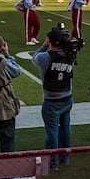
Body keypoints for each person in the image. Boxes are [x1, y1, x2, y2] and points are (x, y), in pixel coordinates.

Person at [32, 25, 77, 170]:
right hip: (67, 97)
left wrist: (44, 45)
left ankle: (53, 162)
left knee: (52, 132)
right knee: (65, 129)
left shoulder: (45, 57)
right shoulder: (70, 55)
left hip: (52, 100)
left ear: (50, 41)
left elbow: (34, 58)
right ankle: (65, 157)